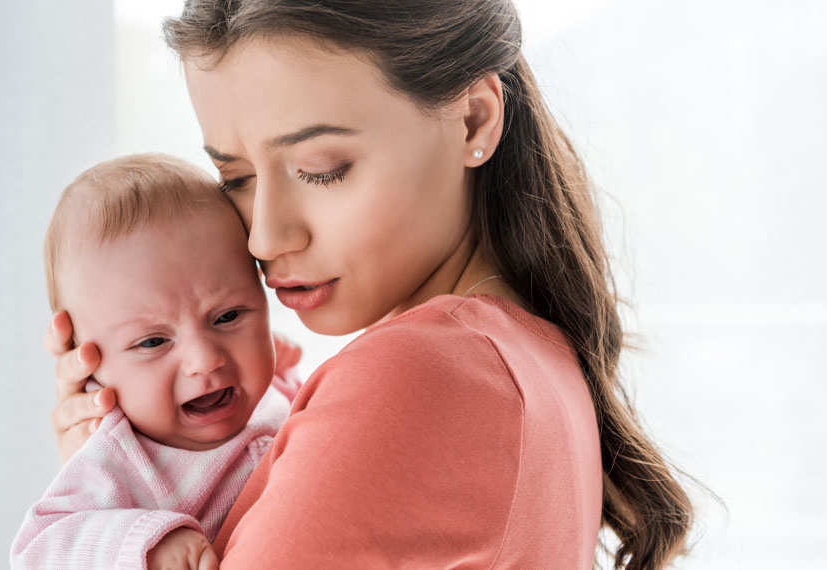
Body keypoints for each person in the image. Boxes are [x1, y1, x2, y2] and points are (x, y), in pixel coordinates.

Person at [44, 1, 695, 568]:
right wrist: (130, 475)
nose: (264, 238)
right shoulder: (524, 356)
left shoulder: (421, 374)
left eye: (321, 168)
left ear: (473, 120)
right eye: (236, 179)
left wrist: (120, 512)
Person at [12, 154, 302, 570]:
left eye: (227, 317)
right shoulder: (120, 459)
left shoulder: (270, 394)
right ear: (89, 366)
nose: (205, 360)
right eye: (153, 342)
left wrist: (285, 371)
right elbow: (38, 549)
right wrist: (148, 544)